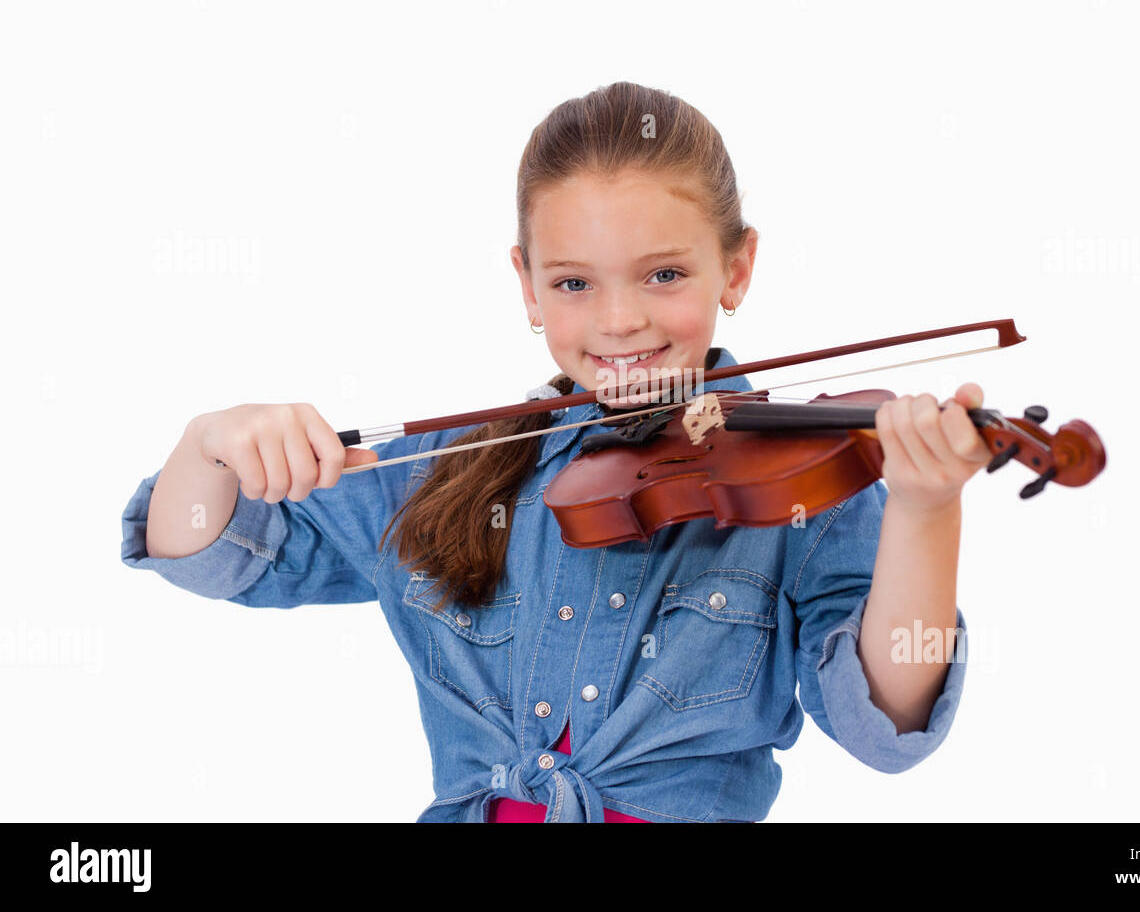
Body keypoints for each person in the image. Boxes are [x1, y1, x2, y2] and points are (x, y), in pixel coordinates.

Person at [120, 81, 993, 822]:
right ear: (528, 286)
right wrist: (213, 447)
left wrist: (926, 509)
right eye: (574, 283)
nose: (620, 321)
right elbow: (203, 553)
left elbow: (887, 726)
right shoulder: (444, 467)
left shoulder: (807, 481)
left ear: (736, 267)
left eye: (664, 274)